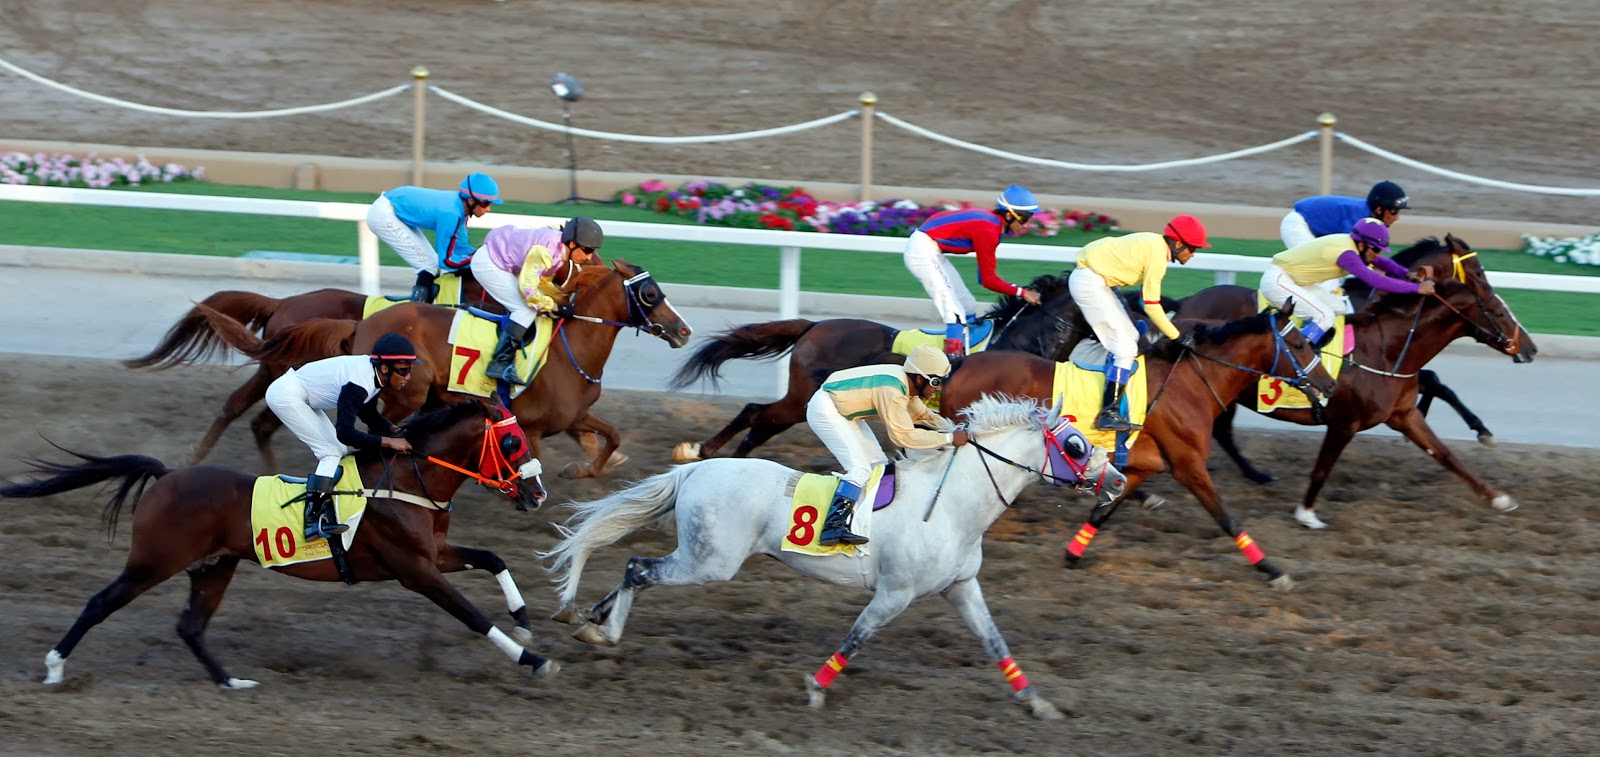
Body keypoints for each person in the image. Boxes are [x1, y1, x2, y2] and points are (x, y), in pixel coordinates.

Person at [805, 345, 968, 546]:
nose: (938, 389)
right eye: (936, 382)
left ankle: (864, 519)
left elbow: (924, 415)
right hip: (825, 409)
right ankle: (832, 527)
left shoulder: (906, 383)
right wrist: (949, 439)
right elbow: (904, 437)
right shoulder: (893, 391)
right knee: (860, 470)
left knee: (879, 465)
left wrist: (953, 428)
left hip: (842, 411)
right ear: (920, 379)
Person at [264, 333, 418, 539]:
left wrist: (395, 431)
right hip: (286, 396)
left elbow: (368, 413)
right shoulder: (359, 382)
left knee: (341, 453)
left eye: (409, 370)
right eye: (404, 371)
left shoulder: (373, 376)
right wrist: (389, 442)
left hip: (303, 397)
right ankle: (312, 522)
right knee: (330, 453)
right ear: (384, 368)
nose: (408, 377)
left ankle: (329, 507)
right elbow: (345, 432)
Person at [1069, 215, 1209, 432]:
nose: (1193, 255)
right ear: (1178, 243)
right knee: (1125, 349)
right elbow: (1151, 305)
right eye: (1192, 249)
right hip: (1090, 284)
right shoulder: (1156, 255)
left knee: (1132, 339)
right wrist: (1176, 336)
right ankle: (1108, 412)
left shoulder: (1154, 245)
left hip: (1097, 281)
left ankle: (1112, 388)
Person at [904, 184, 1045, 357]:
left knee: (967, 305)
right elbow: (987, 280)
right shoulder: (989, 229)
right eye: (1024, 220)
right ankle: (953, 365)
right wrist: (1022, 292)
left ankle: (970, 348)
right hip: (922, 251)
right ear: (1009, 215)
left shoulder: (992, 224)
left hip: (930, 248)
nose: (1025, 226)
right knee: (955, 313)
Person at [470, 217, 604, 384]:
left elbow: (540, 282)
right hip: (488, 263)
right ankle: (499, 363)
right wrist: (554, 307)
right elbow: (529, 292)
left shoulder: (559, 250)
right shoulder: (546, 252)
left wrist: (559, 301)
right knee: (525, 309)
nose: (589, 257)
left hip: (503, 259)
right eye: (587, 250)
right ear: (571, 244)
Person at [1262, 217, 1436, 345]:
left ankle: (1311, 342)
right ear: (1362, 245)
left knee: (1339, 308)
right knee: (1324, 316)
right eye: (1375, 249)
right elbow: (1375, 280)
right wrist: (1416, 288)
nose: (1377, 253)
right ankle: (1295, 351)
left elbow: (1380, 261)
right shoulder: (1347, 255)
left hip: (1297, 282)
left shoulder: (1353, 245)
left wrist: (1406, 273)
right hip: (1279, 280)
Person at [366, 172, 504, 303]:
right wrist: (477, 259)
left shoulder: (461, 210)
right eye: (485, 203)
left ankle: (428, 302)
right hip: (383, 214)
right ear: (471, 200)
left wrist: (481, 255)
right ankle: (418, 309)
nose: (488, 209)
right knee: (428, 265)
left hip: (396, 207)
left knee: (431, 263)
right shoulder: (451, 214)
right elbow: (445, 261)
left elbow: (461, 248)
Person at [1280, 180, 1410, 249]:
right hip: (1298, 225)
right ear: (1379, 210)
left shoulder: (1366, 216)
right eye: (1393, 211)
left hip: (1309, 223)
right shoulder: (1358, 221)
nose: (1397, 217)